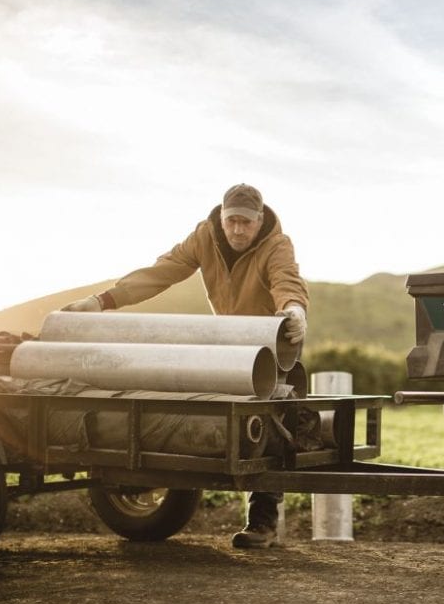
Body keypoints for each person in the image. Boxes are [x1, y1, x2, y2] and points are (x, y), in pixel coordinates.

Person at [62, 183, 309, 549]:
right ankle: (182, 478)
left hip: (275, 339)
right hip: (228, 342)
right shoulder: (203, 237)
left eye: (247, 223)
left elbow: (286, 280)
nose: (238, 230)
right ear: (221, 218)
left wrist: (294, 310)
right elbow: (163, 272)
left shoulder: (277, 244)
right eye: (232, 222)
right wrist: (103, 300)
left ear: (260, 221)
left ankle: (262, 523)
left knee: (267, 422)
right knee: (209, 414)